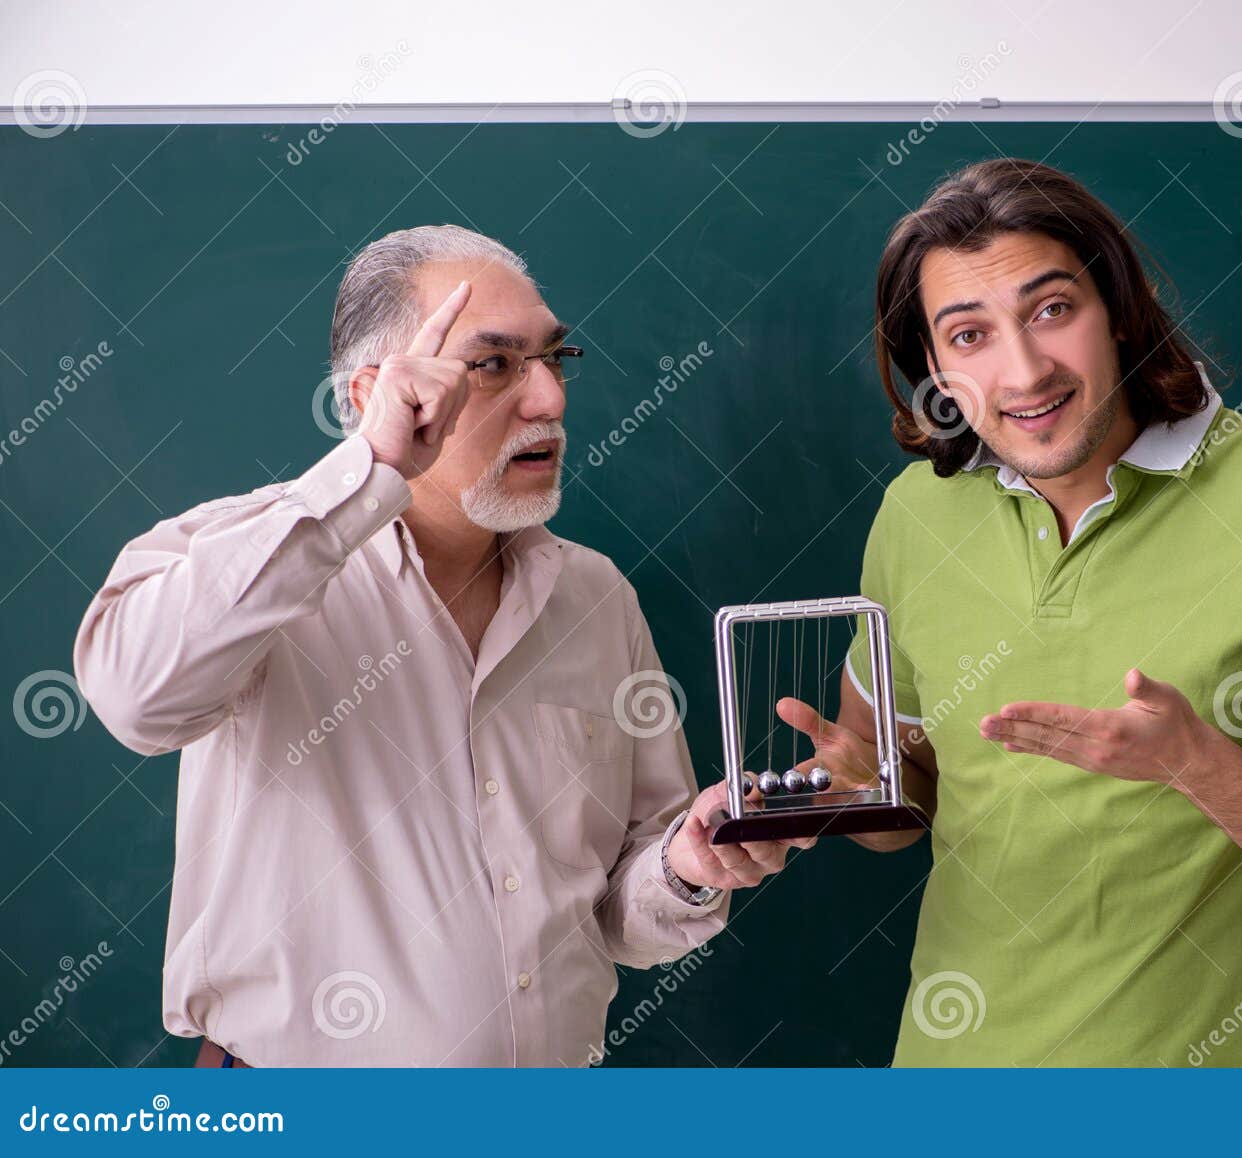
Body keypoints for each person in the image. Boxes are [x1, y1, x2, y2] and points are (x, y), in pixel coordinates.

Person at [778, 159, 1242, 1066]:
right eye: (970, 335)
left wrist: (1195, 764)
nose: (1024, 371)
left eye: (1051, 310)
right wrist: (854, 789)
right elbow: (911, 798)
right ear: (935, 369)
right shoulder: (916, 517)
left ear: (1121, 310)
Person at [74, 225, 805, 1067]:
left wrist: (685, 866)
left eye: (554, 359)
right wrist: (370, 467)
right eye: (493, 364)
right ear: (373, 394)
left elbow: (614, 914)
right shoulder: (250, 557)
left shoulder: (595, 599)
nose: (549, 400)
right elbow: (135, 700)